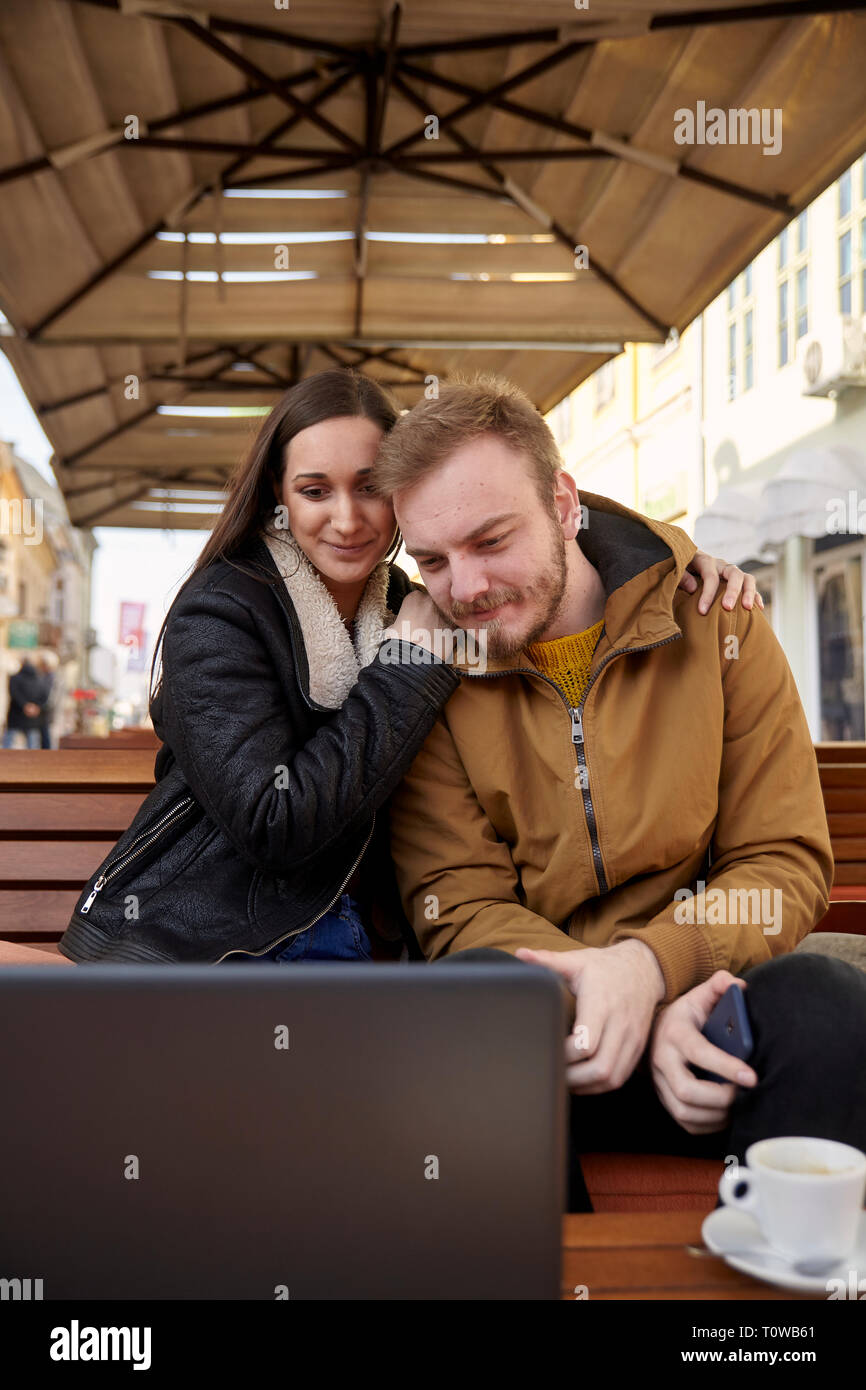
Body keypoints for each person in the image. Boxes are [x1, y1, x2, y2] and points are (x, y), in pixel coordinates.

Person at [1, 370, 752, 968]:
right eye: (314, 490)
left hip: (377, 944)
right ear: (277, 498)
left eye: (369, 487)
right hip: (211, 944)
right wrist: (406, 668)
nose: (349, 519)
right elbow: (276, 823)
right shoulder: (223, 612)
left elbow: (520, 521)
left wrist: (669, 562)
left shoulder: (418, 601)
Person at [375, 374, 866, 1211]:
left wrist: (658, 973)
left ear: (564, 504)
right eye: (431, 559)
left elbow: (780, 863)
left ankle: (765, 1331)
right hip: (543, 1036)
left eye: (491, 540)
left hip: (710, 1023)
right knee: (469, 1011)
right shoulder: (430, 671)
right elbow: (456, 906)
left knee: (826, 1009)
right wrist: (606, 986)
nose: (463, 588)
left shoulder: (719, 621)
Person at [2, 656, 50, 749]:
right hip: (33, 718)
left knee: (8, 745)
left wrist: (25, 705)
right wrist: (36, 707)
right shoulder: (40, 679)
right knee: (32, 746)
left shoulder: (15, 678)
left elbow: (14, 693)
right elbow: (45, 695)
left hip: (15, 715)